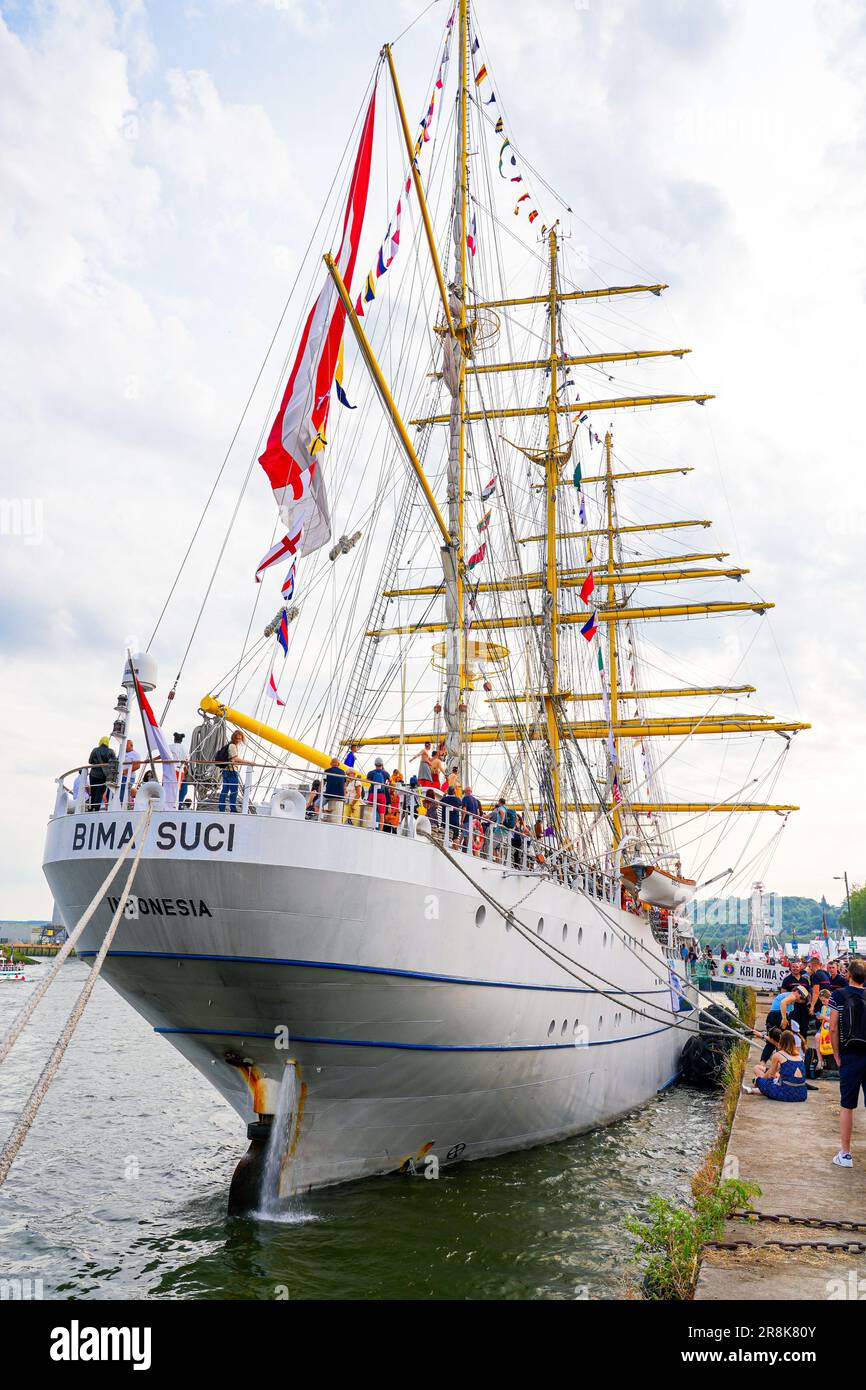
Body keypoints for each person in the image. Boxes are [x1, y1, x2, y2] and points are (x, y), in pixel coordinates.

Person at [828, 957, 866, 1167]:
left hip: (850, 1055)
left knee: (847, 1105)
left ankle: (845, 1154)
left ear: (848, 975)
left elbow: (833, 1027)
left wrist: (836, 1055)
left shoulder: (837, 995)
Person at [746, 1030, 807, 1102]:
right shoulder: (799, 1056)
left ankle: (753, 1090)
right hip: (802, 1094)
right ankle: (752, 1090)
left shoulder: (778, 1055)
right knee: (770, 1083)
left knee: (758, 1080)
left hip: (787, 1094)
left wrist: (762, 1082)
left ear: (781, 1041)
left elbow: (771, 1075)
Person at [216, 730, 248, 812]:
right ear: (234, 738)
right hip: (231, 771)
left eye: (240, 739)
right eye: (237, 738)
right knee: (234, 791)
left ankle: (221, 808)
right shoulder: (232, 746)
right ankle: (233, 809)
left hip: (226, 771)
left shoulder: (230, 745)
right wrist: (248, 762)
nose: (238, 740)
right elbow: (235, 758)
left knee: (225, 790)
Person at [87, 736, 117, 810]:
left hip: (93, 774)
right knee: (100, 792)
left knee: (93, 791)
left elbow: (90, 761)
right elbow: (114, 763)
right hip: (104, 775)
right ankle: (96, 808)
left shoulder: (95, 750)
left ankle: (91, 807)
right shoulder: (111, 751)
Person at [322, 756, 347, 820]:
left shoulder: (327, 771)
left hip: (329, 794)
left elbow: (323, 783)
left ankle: (319, 817)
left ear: (331, 763)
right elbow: (344, 786)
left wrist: (320, 792)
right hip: (340, 795)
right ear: (338, 764)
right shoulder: (343, 772)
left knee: (317, 804)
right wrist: (344, 796)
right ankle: (328, 813)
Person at [119, 738, 143, 806]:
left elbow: (137, 765)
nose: (124, 746)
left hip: (128, 776)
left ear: (131, 745)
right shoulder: (122, 753)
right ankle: (120, 804)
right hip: (121, 776)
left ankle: (123, 805)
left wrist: (125, 771)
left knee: (124, 791)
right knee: (120, 791)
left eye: (126, 745)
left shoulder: (135, 754)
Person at [367, 757, 388, 828]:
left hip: (372, 794)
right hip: (381, 795)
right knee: (382, 815)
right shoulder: (386, 773)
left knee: (369, 812)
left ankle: (369, 827)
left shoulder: (370, 773)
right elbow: (391, 782)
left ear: (375, 764)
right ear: (382, 764)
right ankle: (380, 830)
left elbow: (367, 781)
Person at [460, 785, 481, 853]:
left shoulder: (465, 798)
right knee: (470, 836)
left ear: (465, 792)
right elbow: (478, 811)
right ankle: (462, 848)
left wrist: (462, 820)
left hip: (467, 820)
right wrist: (477, 821)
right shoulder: (475, 800)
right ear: (471, 792)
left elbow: (464, 809)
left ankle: (471, 851)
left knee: (467, 837)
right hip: (474, 821)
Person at [172, 732, 190, 806]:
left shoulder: (170, 747)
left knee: (169, 788)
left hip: (170, 770)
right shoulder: (185, 748)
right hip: (180, 771)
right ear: (181, 740)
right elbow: (186, 762)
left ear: (174, 739)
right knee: (178, 789)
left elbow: (162, 755)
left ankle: (170, 804)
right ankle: (177, 805)